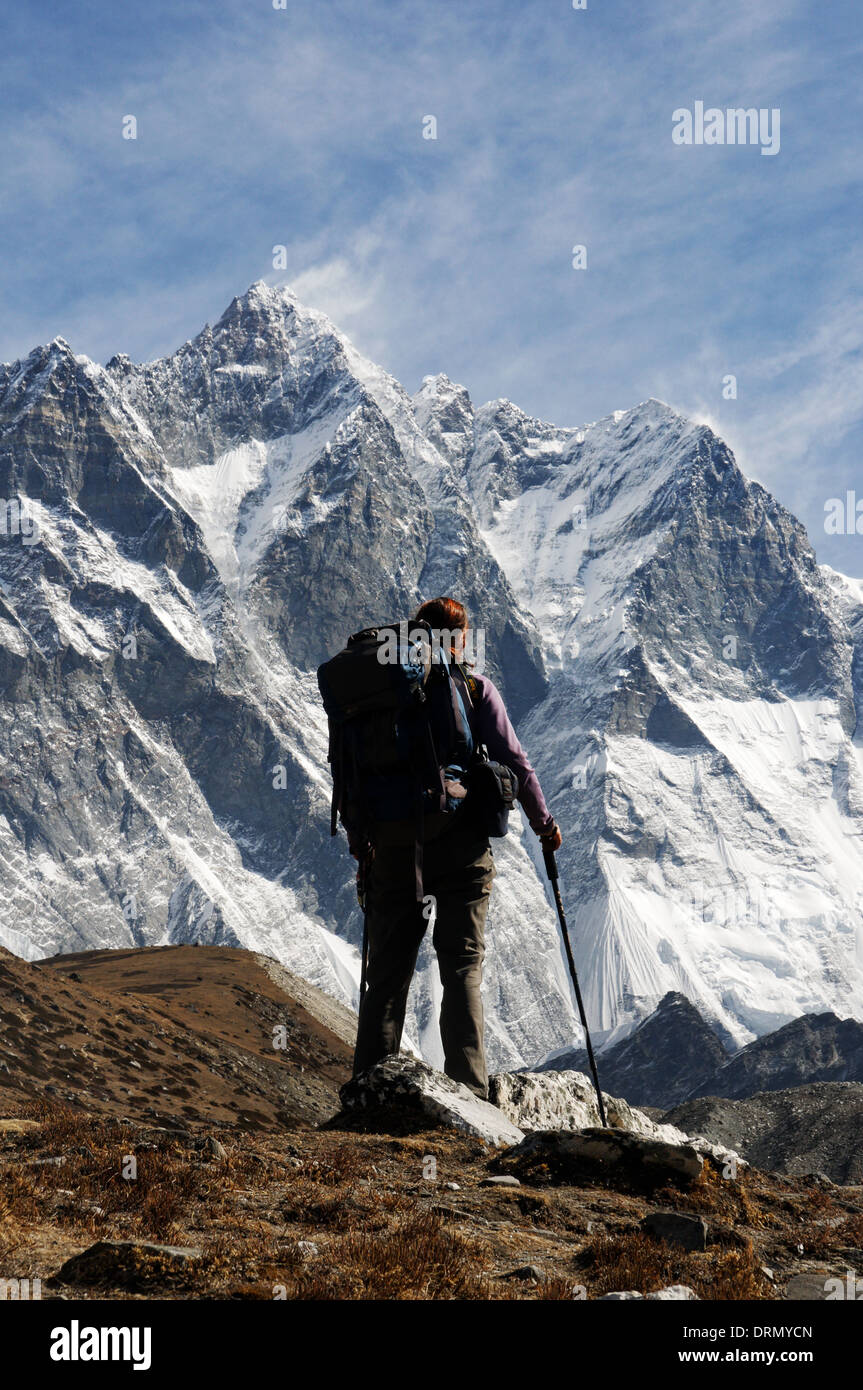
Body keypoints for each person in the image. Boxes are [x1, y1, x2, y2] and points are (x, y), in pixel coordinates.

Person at [346, 597, 561, 1100]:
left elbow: (353, 777)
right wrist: (544, 824)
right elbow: (517, 761)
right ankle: (468, 1092)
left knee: (387, 974)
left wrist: (365, 850)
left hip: (395, 848)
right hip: (460, 844)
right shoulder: (473, 688)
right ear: (458, 638)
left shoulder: (379, 694)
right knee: (461, 965)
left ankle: (367, 1091)